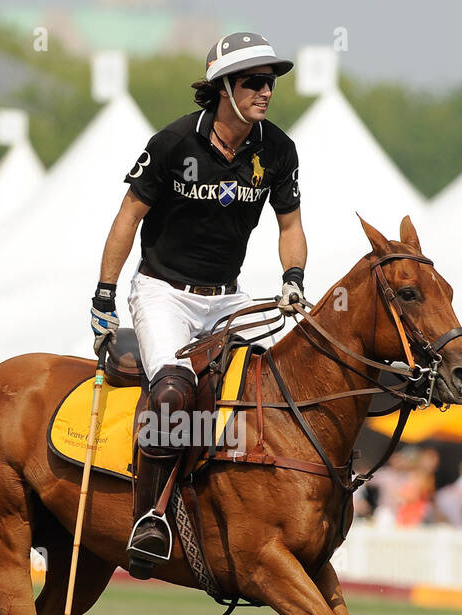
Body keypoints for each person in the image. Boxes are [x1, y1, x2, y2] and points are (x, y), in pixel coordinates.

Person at [90, 31, 306, 574]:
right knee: (172, 392)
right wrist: (105, 294)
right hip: (163, 292)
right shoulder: (173, 143)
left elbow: (290, 225)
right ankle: (148, 518)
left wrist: (293, 278)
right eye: (254, 82)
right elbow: (128, 217)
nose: (266, 91)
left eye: (271, 82)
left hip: (228, 298)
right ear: (223, 87)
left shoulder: (277, 149)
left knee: (269, 389)